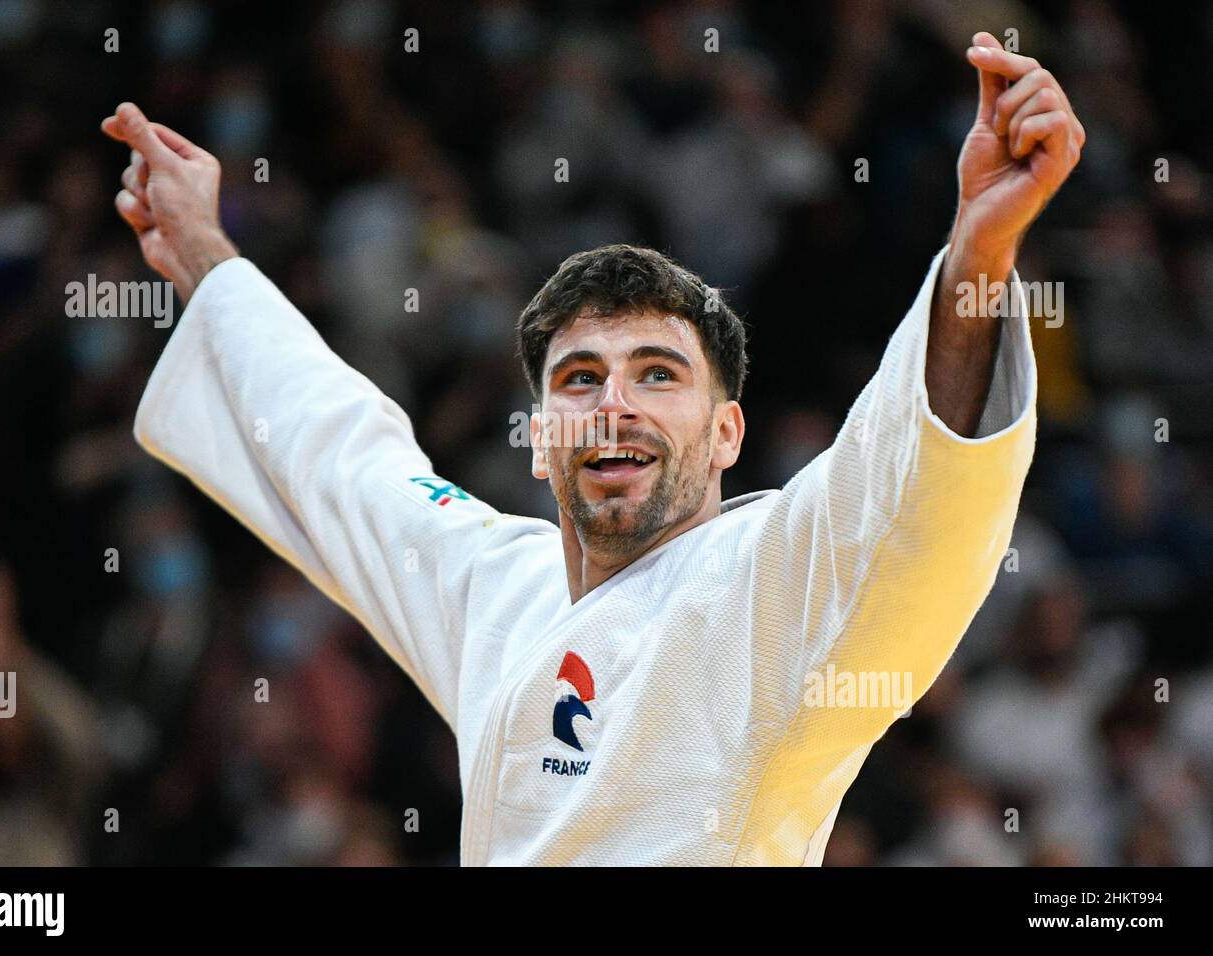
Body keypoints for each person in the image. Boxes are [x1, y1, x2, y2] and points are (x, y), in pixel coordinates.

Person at [101, 32, 1084, 865]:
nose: (614, 404)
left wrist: (977, 255)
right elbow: (337, 452)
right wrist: (206, 256)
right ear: (535, 441)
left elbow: (909, 502)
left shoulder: (766, 587)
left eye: (658, 374)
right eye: (580, 378)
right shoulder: (496, 582)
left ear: (726, 434)